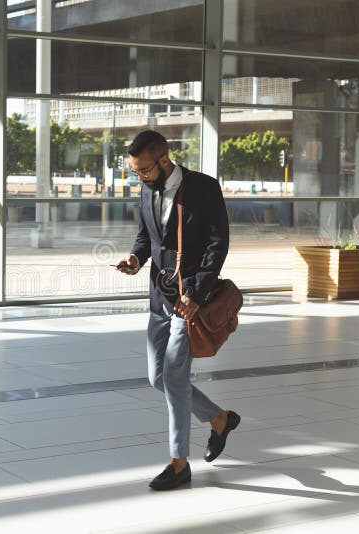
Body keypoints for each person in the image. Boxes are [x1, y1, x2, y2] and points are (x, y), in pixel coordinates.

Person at [116, 130, 240, 491]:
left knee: (172, 377)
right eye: (135, 171)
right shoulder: (146, 189)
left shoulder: (203, 188)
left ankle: (179, 463)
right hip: (160, 297)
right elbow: (147, 236)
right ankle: (219, 419)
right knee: (158, 377)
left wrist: (197, 293)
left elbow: (217, 245)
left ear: (164, 160)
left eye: (144, 170)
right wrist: (135, 258)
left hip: (189, 303)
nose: (140, 177)